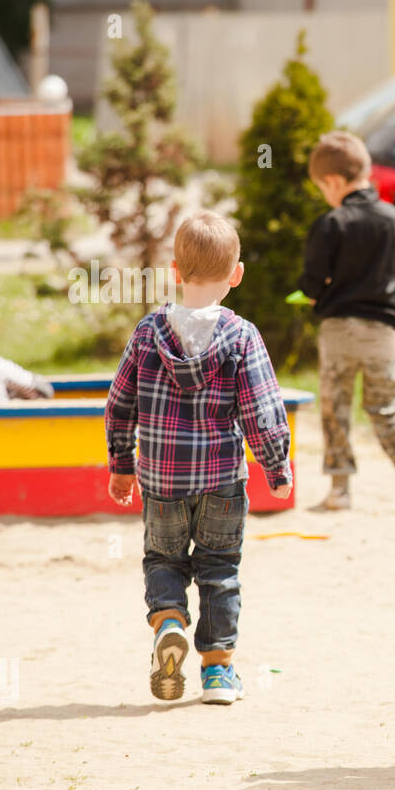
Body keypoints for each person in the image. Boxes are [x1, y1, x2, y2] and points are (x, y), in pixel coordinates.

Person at [105, 210, 293, 705]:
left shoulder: (148, 333)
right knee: (219, 568)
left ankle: (168, 620)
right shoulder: (242, 336)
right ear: (237, 275)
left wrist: (122, 464)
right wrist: (276, 467)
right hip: (222, 482)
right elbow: (262, 408)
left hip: (162, 480)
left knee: (163, 559)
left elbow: (119, 403)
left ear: (174, 271)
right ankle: (217, 672)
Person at [298, 129, 395, 512]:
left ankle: (340, 489)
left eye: (322, 188)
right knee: (391, 404)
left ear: (333, 181)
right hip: (382, 331)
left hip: (338, 328)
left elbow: (312, 283)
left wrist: (309, 293)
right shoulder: (393, 218)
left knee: (335, 407)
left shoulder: (331, 223)